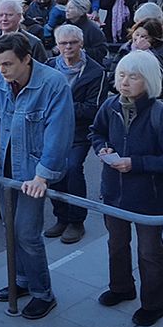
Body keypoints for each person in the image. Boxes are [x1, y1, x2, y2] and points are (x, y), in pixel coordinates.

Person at [0, 33, 74, 319]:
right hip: (4, 166)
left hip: (32, 170)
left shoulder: (53, 83)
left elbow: (59, 132)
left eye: (7, 64)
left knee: (27, 233)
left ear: (27, 59)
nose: (1, 70)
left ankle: (43, 293)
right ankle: (21, 280)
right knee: (10, 229)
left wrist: (43, 176)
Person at [90, 51, 163, 327]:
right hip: (113, 193)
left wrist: (136, 163)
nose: (124, 82)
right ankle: (121, 287)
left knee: (149, 252)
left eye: (133, 77)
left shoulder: (162, 114)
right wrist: (102, 148)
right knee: (116, 244)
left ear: (149, 80)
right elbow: (96, 131)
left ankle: (153, 304)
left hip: (148, 198)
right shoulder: (110, 105)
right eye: (121, 75)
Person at [44, 25, 106, 245]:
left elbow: (92, 108)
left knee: (72, 169)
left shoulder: (96, 71)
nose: (68, 47)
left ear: (81, 43)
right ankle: (61, 217)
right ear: (57, 45)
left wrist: (60, 105)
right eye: (63, 43)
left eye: (73, 43)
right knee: (53, 171)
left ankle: (77, 221)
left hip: (79, 132)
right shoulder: (50, 66)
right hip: (52, 130)